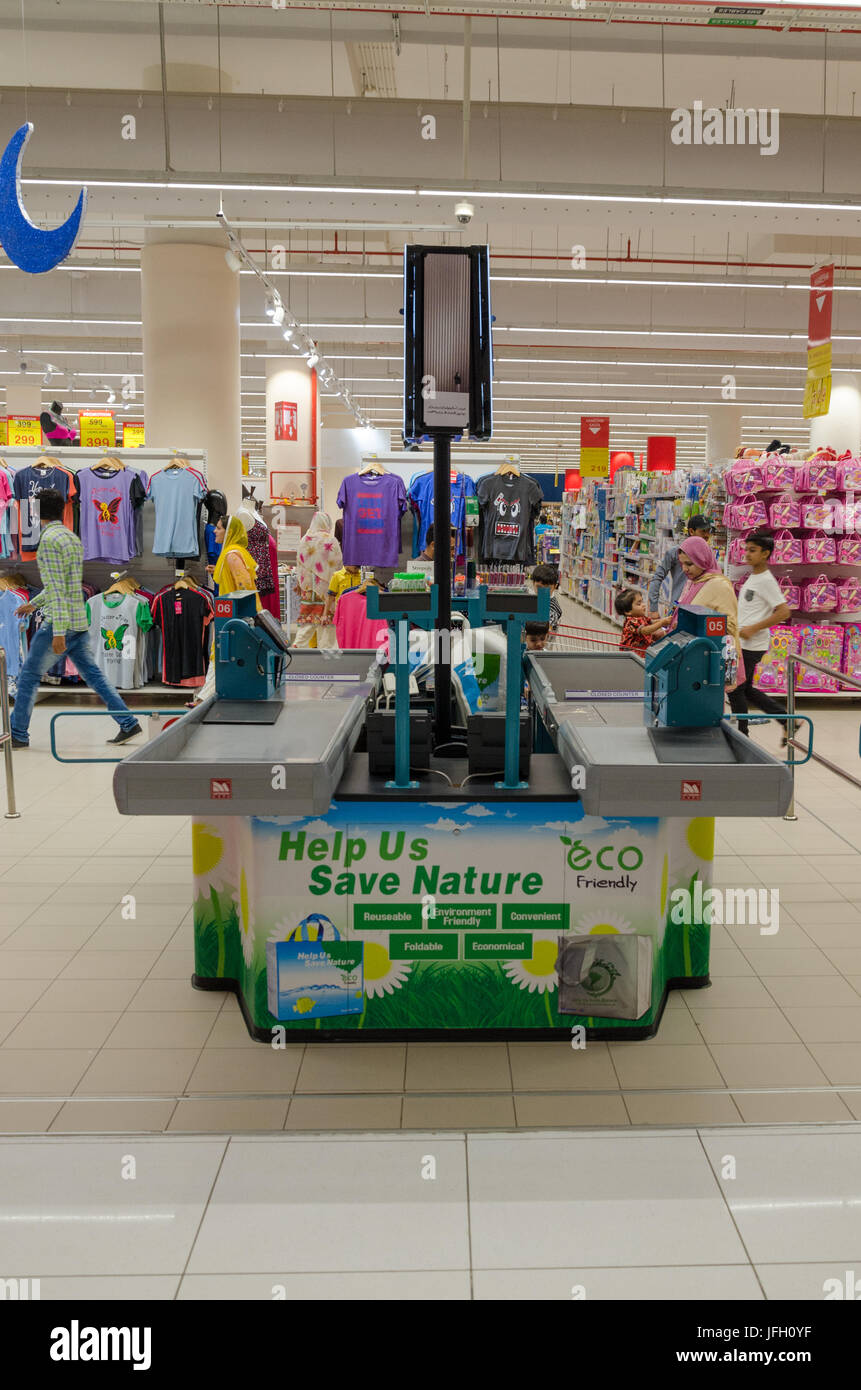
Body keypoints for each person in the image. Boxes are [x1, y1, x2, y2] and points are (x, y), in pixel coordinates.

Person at [10, 489, 142, 748]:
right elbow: (66, 584)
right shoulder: (70, 537)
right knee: (94, 675)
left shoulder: (48, 541)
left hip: (61, 624)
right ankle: (128, 722)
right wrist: (32, 604)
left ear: (37, 512)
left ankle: (18, 733)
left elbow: (58, 589)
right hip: (78, 620)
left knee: (28, 676)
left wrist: (58, 632)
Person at [728, 533, 791, 741]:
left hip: (752, 644)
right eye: (746, 549)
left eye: (752, 550)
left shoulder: (766, 581)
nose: (747, 554)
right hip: (743, 641)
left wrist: (753, 628)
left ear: (766, 554)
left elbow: (783, 612)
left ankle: (742, 736)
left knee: (736, 688)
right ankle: (787, 720)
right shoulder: (753, 577)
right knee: (744, 689)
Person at [676, 536, 743, 694]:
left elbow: (730, 628)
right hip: (692, 656)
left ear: (702, 560)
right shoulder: (695, 582)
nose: (685, 569)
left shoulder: (719, 585)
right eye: (682, 564)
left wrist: (729, 673)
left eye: (689, 564)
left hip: (711, 659)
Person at [293, 511, 342, 650]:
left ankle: (297, 647)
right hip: (327, 588)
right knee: (326, 624)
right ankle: (325, 652)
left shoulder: (304, 540)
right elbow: (338, 564)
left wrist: (298, 583)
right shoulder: (331, 540)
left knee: (307, 622)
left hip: (308, 588)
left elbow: (299, 564)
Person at [647, 514, 711, 613]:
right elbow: (657, 577)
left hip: (700, 608)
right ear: (691, 531)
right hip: (678, 609)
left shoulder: (709, 554)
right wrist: (653, 607)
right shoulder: (676, 552)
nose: (707, 535)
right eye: (703, 531)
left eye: (708, 531)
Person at [614, 588, 672, 655]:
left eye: (642, 601)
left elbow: (651, 622)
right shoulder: (631, 621)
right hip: (632, 654)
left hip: (642, 647)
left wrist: (665, 620)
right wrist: (662, 623)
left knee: (661, 634)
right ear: (628, 611)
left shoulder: (640, 616)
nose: (643, 605)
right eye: (639, 604)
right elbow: (645, 631)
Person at [531, 563, 562, 630]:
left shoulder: (552, 607)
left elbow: (545, 628)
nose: (543, 591)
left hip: (543, 639)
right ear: (533, 583)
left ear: (555, 587)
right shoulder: (534, 598)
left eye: (547, 588)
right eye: (539, 587)